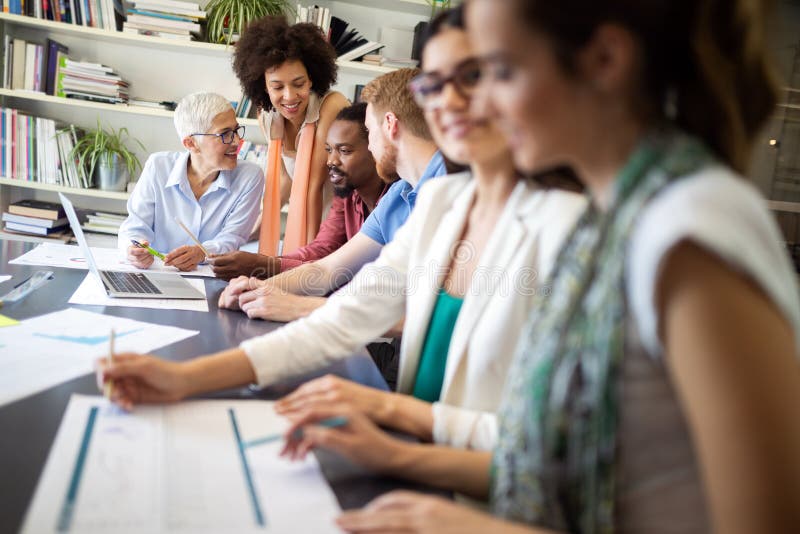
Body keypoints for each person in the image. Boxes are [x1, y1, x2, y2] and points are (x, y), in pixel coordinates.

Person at [301, 0, 800, 533]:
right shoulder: (614, 213)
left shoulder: (690, 231)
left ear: (605, 60)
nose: (480, 103)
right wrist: (399, 455)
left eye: (500, 71)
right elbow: (570, 466)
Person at [95, 13, 585, 457]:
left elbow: (550, 446)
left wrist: (392, 425)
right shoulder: (442, 203)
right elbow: (349, 313)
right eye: (435, 83)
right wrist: (181, 377)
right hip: (416, 458)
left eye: (476, 76)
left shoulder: (568, 228)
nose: (449, 101)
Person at [216, 68, 447, 323]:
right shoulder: (398, 195)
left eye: (369, 132)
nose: (370, 146)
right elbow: (326, 270)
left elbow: (435, 311)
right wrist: (257, 289)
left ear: (390, 125)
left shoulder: (454, 191)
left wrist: (300, 307)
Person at [209, 103, 392, 281]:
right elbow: (321, 250)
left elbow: (352, 270)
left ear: (376, 149)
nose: (331, 161)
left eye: (344, 150)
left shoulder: (397, 201)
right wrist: (264, 264)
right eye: (329, 150)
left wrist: (262, 266)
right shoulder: (347, 195)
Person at [231, 16, 349, 259]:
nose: (289, 96)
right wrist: (250, 231)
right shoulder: (267, 116)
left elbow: (312, 186)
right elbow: (284, 180)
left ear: (312, 78)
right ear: (263, 86)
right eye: (277, 87)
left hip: (336, 227)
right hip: (307, 226)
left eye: (299, 84)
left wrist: (308, 257)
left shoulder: (330, 106)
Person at [118, 92, 264, 272]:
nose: (237, 141)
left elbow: (233, 238)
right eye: (225, 133)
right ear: (191, 144)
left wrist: (202, 252)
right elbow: (135, 226)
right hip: (157, 273)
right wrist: (133, 249)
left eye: (236, 130)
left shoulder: (250, 177)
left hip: (211, 277)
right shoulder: (158, 166)